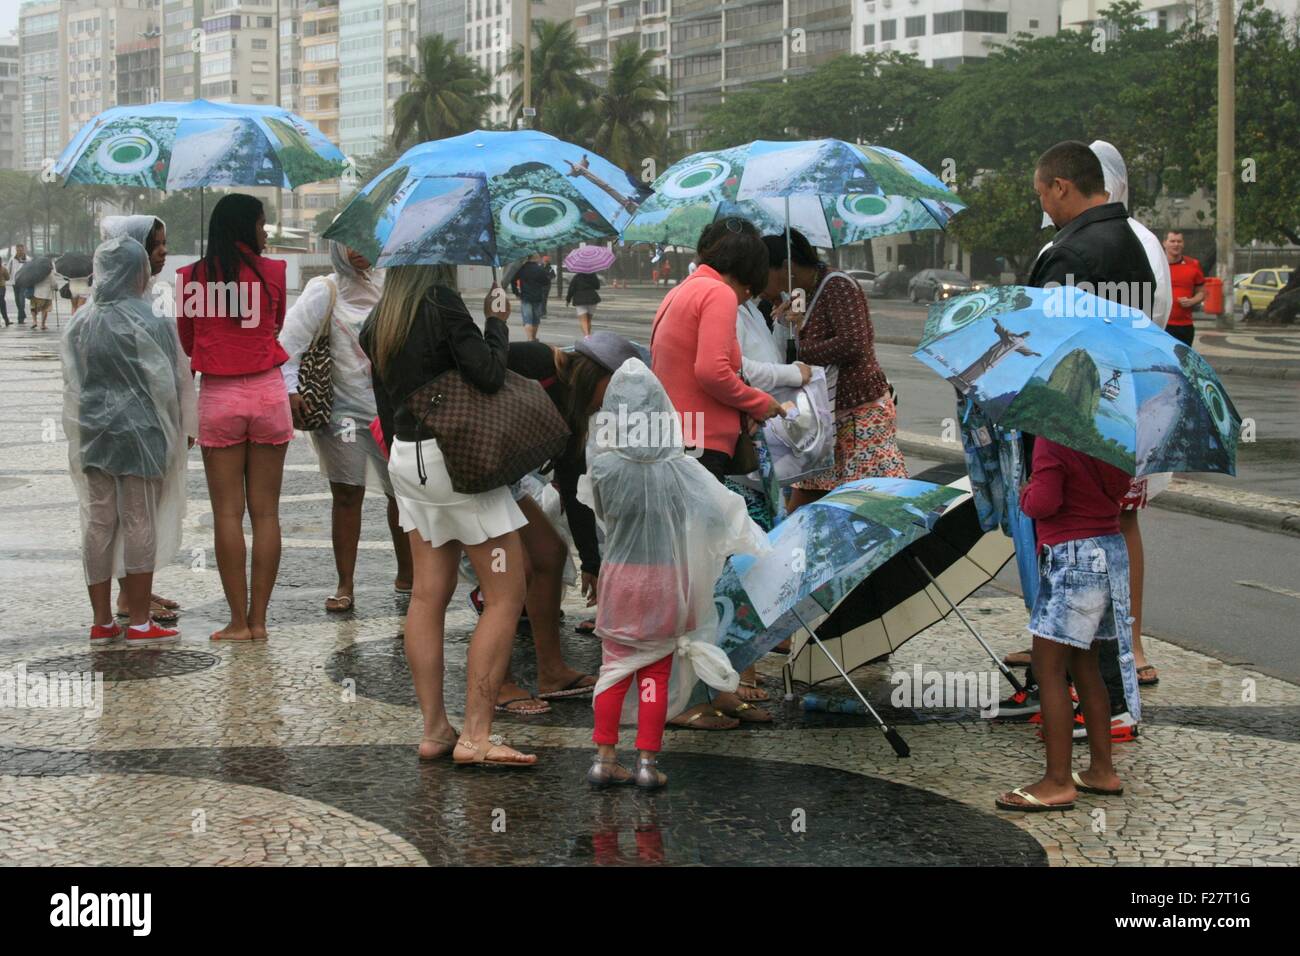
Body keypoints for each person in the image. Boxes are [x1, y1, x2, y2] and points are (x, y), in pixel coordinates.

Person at [361, 265, 535, 767]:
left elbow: (384, 400)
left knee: (427, 594)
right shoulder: (441, 301)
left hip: (407, 459)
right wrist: (497, 322)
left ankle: (435, 728)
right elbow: (489, 374)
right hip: (457, 461)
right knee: (507, 592)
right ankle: (477, 735)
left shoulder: (380, 318)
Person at [586, 358, 768, 788]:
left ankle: (604, 757)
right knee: (655, 673)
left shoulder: (604, 467)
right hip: (668, 583)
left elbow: (600, 514)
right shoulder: (680, 469)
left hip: (620, 581)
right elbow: (719, 509)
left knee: (614, 670)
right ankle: (647, 762)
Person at [1025, 140, 1154, 741]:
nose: (1044, 209)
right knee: (1107, 572)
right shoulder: (1134, 246)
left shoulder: (1071, 251)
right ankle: (1113, 709)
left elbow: (1046, 342)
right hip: (1117, 423)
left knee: (1069, 599)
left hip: (1071, 429)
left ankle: (1075, 716)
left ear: (1061, 187)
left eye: (1043, 195)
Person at [651, 216, 783, 729]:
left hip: (682, 445)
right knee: (703, 575)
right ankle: (687, 700)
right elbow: (711, 371)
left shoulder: (684, 290)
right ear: (750, 273)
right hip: (701, 449)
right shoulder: (721, 296)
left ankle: (717, 686)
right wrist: (761, 402)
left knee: (705, 570)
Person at [481, 332, 645, 716]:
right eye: (614, 386)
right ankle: (497, 682)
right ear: (596, 374)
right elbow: (479, 369)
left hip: (504, 476)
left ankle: (551, 671)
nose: (614, 400)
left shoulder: (575, 412)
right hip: (474, 464)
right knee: (510, 570)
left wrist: (591, 562)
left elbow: (574, 486)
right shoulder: (539, 362)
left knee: (550, 553)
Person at [61, 236, 196, 646]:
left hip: (92, 434)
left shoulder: (80, 321)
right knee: (139, 519)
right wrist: (183, 429)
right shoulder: (152, 319)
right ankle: (139, 621)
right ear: (138, 271)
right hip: (143, 434)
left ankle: (102, 621)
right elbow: (174, 382)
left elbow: (72, 381)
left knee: (98, 521)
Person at [995, 436, 1136, 812]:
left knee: (1048, 667)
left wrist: (1026, 494)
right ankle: (1101, 770)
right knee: (1085, 664)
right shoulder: (1114, 437)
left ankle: (1057, 781)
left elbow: (1046, 501)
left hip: (1072, 558)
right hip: (1108, 549)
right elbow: (1120, 488)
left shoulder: (1053, 437)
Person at [177, 194, 291, 643]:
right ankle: (259, 620)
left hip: (219, 397)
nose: (266, 231)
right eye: (263, 224)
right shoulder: (276, 273)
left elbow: (188, 343)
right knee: (266, 515)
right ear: (247, 227)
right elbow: (276, 323)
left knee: (227, 514)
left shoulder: (191, 278)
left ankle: (237, 623)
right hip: (267, 391)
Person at [279, 242, 413, 612]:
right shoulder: (325, 290)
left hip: (390, 409)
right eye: (348, 244)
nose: (358, 250)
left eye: (366, 240)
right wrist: (291, 392)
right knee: (347, 495)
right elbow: (288, 347)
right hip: (343, 413)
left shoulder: (391, 285)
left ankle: (408, 576)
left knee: (400, 495)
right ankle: (345, 584)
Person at [763, 229, 907, 513]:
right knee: (807, 500)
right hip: (825, 415)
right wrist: (788, 326)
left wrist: (801, 347)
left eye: (764, 272)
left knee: (870, 503)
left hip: (859, 413)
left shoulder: (837, 285)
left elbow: (854, 343)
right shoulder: (801, 292)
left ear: (786, 267)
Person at [101, 215, 194, 626]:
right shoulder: (124, 308)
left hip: (148, 427)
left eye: (164, 243)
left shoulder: (152, 296)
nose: (163, 252)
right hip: (137, 430)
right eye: (155, 245)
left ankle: (138, 589)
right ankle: (128, 599)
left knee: (143, 514)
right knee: (134, 516)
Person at [1163, 230, 1205, 347]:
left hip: (1184, 325)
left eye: (1179, 241)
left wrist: (1192, 301)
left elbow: (1202, 292)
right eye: (1172, 241)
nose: (1176, 244)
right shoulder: (1156, 264)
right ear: (1164, 243)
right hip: (1161, 324)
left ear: (1183, 244)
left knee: (1183, 362)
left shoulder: (1193, 264)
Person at [511, 253, 551, 341]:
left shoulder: (522, 269)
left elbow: (513, 280)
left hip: (525, 297)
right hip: (537, 297)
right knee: (535, 319)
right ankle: (533, 337)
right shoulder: (540, 269)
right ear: (536, 258)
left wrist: (516, 293)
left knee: (527, 319)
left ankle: (529, 339)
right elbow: (546, 282)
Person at [565, 271, 601, 337]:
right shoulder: (593, 275)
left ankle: (587, 336)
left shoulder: (577, 277)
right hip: (592, 298)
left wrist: (568, 300)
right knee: (588, 320)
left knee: (583, 321)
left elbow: (571, 289)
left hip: (580, 299)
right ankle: (588, 337)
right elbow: (597, 286)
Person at [7, 244, 29, 325]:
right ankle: (22, 314)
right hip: (14, 282)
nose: (19, 251)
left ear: (24, 250)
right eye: (18, 250)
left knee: (21, 300)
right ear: (16, 250)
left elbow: (30, 270)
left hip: (23, 282)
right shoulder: (12, 259)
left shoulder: (28, 259)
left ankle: (20, 318)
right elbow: (8, 269)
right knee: (17, 300)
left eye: (21, 250)